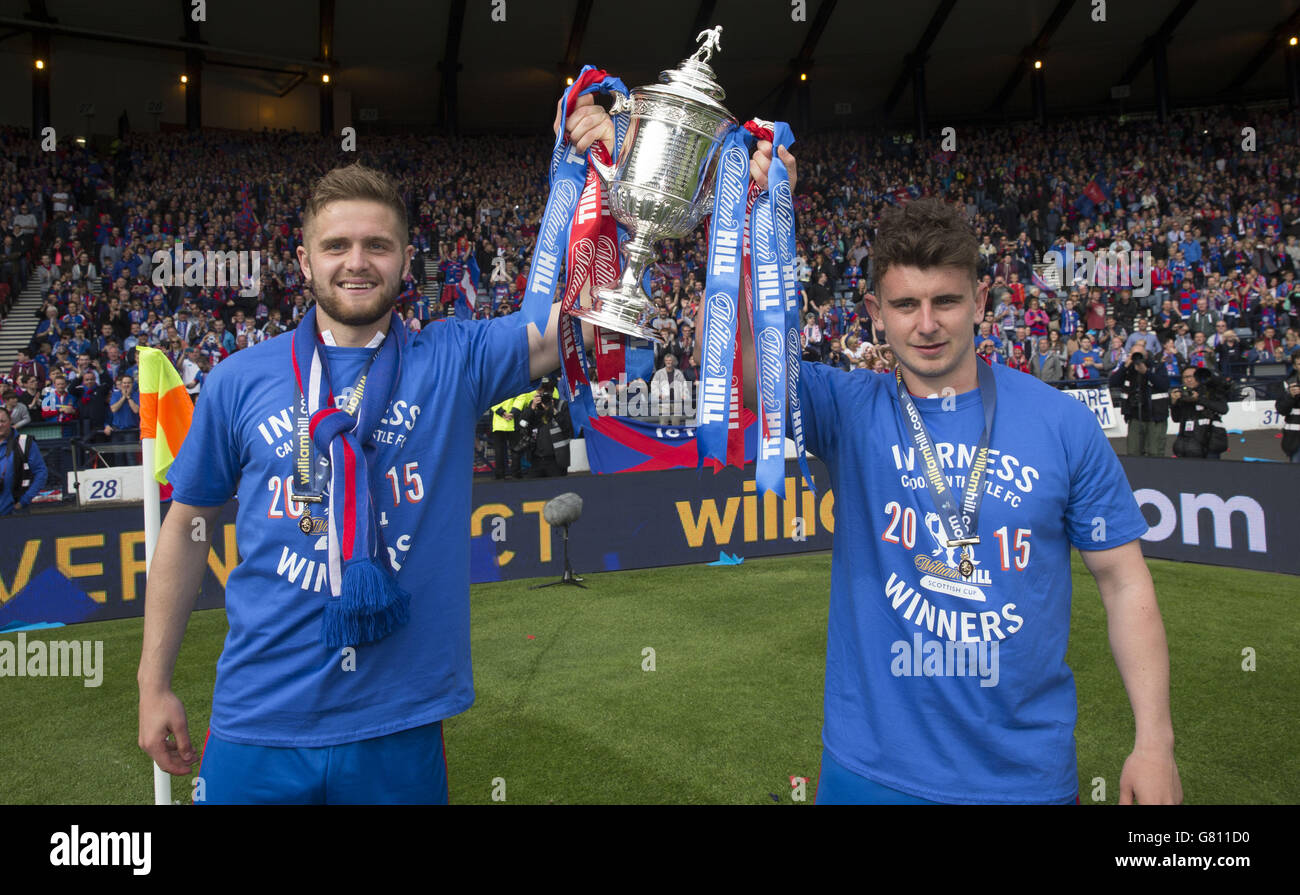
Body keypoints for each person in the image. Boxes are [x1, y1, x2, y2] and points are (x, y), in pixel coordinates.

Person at [138, 123, 790, 803]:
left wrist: (632, 174)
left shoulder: (454, 359)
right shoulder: (239, 379)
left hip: (399, 721)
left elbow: (592, 313)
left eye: (377, 246)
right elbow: (187, 531)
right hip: (256, 720)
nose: (356, 262)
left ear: (404, 260)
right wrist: (152, 683)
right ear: (304, 262)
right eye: (336, 246)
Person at [745, 198, 1179, 804]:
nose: (926, 324)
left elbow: (1125, 583)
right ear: (876, 312)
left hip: (1023, 779)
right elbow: (746, 363)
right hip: (870, 771)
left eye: (945, 301)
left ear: (979, 302)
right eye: (905, 304)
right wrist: (762, 215)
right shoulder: (847, 408)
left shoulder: (1061, 424)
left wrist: (1154, 744)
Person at [1109, 349, 1170, 457]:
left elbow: (1164, 385)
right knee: (1133, 452)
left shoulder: (1157, 367)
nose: (1136, 357)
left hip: (1155, 417)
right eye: (1133, 354)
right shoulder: (1128, 369)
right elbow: (1113, 382)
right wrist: (1124, 367)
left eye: (1139, 354)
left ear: (1146, 354)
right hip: (1135, 416)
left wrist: (1146, 372)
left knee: (1155, 452)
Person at [1169, 367, 1228, 459]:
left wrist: (1199, 399)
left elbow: (1223, 409)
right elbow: (1176, 418)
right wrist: (1173, 403)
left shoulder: (1210, 392)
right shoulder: (1182, 394)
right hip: (1186, 444)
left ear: (1200, 377)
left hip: (1209, 443)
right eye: (1185, 377)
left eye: (1192, 376)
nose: (1189, 380)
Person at [0, 405, 48, 516]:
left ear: (10, 421)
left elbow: (41, 473)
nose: (0, 425)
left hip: (15, 513)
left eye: (3, 421)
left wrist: (24, 501)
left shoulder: (24, 443)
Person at [1275, 353, 1300, 462]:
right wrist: (1290, 396)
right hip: (1295, 437)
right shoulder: (1287, 384)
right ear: (1295, 366)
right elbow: (1281, 409)